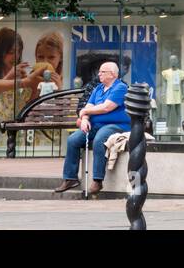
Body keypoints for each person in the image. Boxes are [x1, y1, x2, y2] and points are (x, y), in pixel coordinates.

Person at [53, 62, 129, 195]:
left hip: (116, 125)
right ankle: (70, 178)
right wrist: (85, 119)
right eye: (99, 71)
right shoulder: (98, 88)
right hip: (95, 124)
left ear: (112, 74)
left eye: (102, 72)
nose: (99, 74)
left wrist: (84, 113)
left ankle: (97, 180)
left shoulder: (120, 87)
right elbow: (87, 107)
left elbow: (106, 107)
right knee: (73, 139)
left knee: (100, 138)